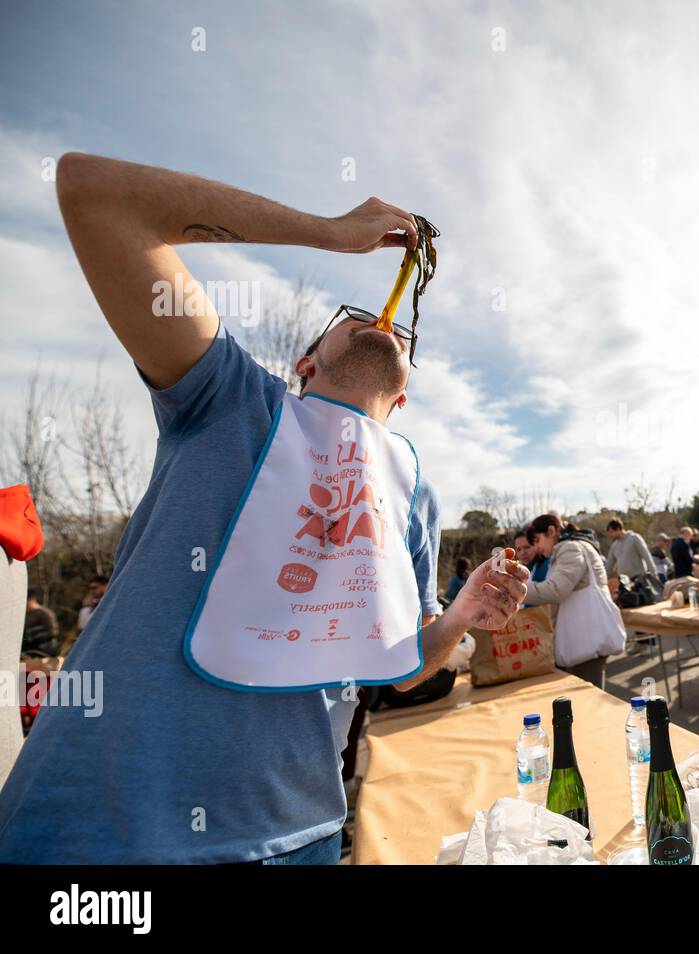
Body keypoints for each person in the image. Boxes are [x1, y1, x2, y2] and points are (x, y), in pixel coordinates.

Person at [0, 154, 529, 864]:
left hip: (296, 838)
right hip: (99, 835)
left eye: (399, 332)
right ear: (304, 368)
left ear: (402, 401)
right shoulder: (227, 398)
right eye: (347, 320)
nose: (381, 323)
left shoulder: (413, 493)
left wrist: (461, 615)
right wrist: (327, 232)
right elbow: (94, 194)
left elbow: (398, 666)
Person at [526, 515, 621, 689]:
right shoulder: (574, 546)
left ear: (552, 531)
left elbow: (556, 590)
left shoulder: (570, 548)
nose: (537, 548)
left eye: (538, 540)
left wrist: (518, 589)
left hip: (585, 641)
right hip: (585, 639)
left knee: (588, 700)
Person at [604, 518, 657, 595]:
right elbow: (609, 565)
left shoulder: (634, 538)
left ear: (618, 528)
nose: (611, 535)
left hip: (639, 580)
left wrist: (654, 573)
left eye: (612, 532)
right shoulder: (614, 546)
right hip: (624, 582)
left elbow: (646, 555)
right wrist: (602, 580)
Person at [22, 591, 61, 658]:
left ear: (31, 600)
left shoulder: (44, 613)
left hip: (44, 650)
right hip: (28, 650)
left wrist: (34, 638)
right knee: (22, 667)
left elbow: (53, 632)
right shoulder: (25, 614)